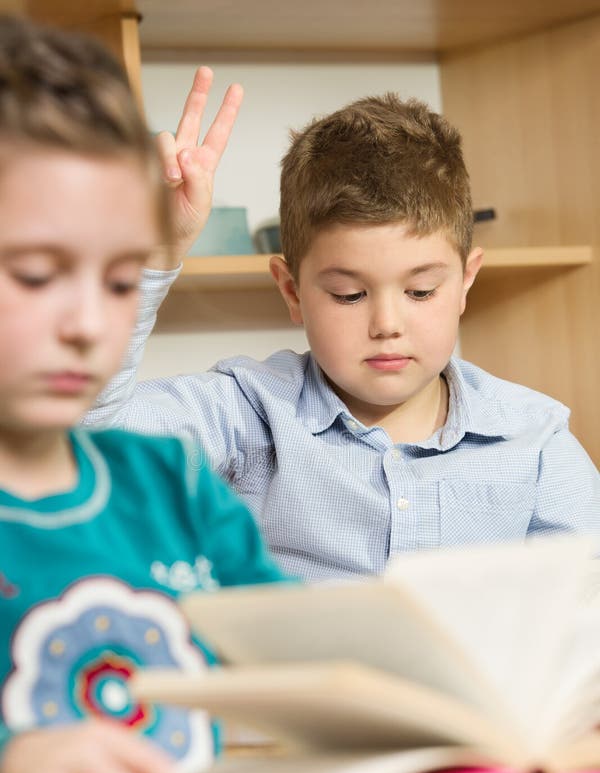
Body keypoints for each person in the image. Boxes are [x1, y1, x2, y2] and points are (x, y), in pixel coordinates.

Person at [85, 87, 600, 582]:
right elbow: (80, 445)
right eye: (349, 296)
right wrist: (149, 260)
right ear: (291, 290)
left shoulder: (535, 442)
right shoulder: (248, 414)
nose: (387, 325)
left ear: (465, 281)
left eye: (421, 292)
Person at [0, 15, 284, 773]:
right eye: (38, 274)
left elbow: (303, 652)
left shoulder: (174, 485)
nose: (91, 323)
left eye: (122, 281)